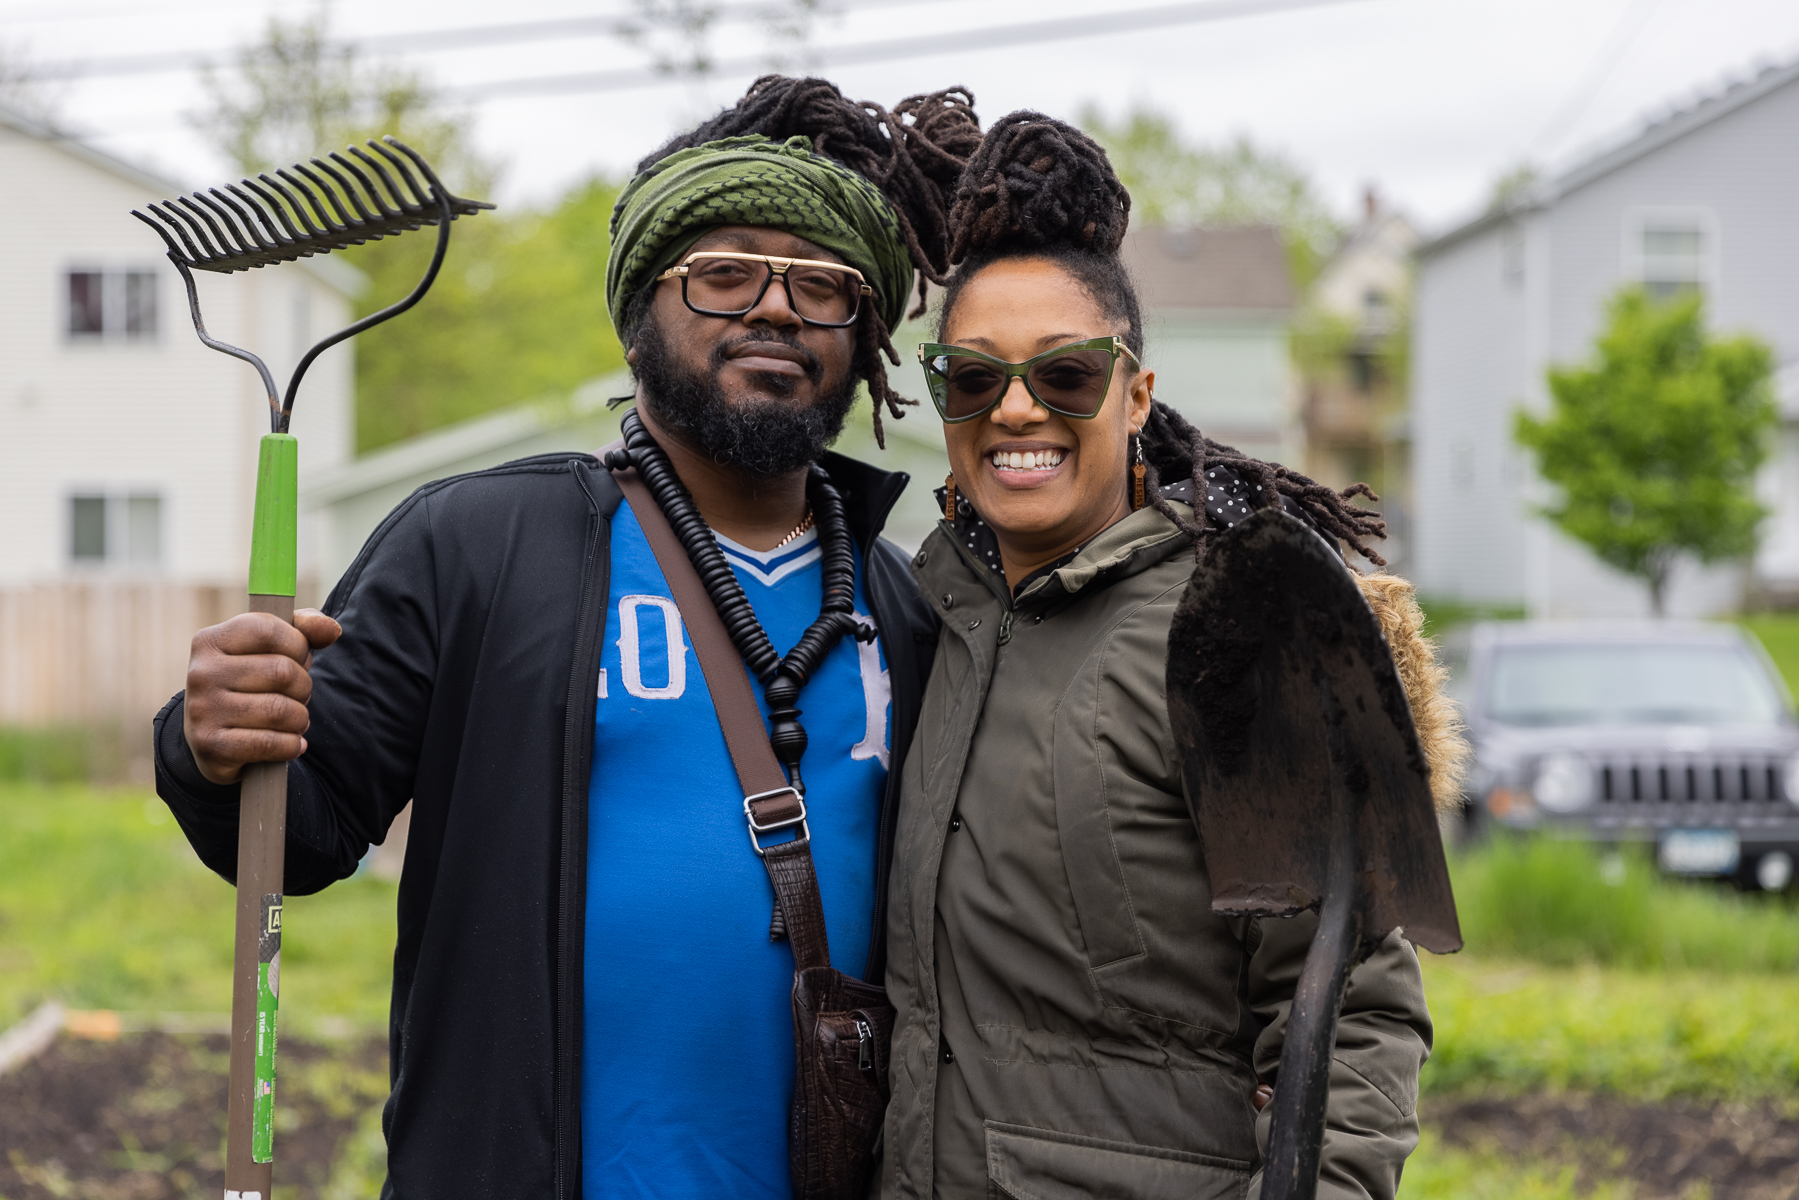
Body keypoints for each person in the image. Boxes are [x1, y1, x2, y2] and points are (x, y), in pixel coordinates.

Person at [152, 76, 980, 1198]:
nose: (777, 309)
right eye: (724, 274)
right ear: (643, 309)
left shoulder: (903, 607)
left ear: (865, 335)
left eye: (824, 287)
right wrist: (207, 740)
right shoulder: (477, 547)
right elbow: (303, 830)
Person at [878, 112, 1444, 1200]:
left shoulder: (1237, 631)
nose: (1014, 410)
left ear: (1135, 394)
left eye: (1066, 376)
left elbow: (1353, 1004)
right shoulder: (914, 616)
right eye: (970, 378)